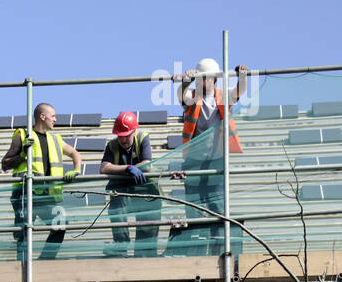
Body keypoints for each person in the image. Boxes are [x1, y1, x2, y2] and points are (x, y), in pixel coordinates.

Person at [167, 57, 249, 256]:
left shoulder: (222, 97)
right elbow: (181, 95)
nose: (202, 83)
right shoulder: (193, 98)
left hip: (216, 160)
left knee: (218, 205)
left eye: (206, 79)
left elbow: (239, 92)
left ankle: (219, 249)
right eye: (199, 79)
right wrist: (185, 81)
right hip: (195, 161)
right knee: (194, 207)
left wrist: (243, 76)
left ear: (214, 79)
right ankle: (195, 251)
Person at [1, 102, 81, 260]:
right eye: (53, 116)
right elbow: (5, 164)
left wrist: (76, 169)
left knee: (61, 225)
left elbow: (74, 153)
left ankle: (46, 261)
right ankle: (22, 267)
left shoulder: (56, 139)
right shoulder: (23, 135)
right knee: (23, 233)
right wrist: (23, 154)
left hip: (47, 196)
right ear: (42, 117)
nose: (56, 120)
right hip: (25, 194)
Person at [99, 111, 161, 256]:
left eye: (126, 135)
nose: (123, 139)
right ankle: (121, 248)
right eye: (120, 136)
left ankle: (145, 258)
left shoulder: (142, 138)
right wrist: (127, 168)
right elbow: (104, 167)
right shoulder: (112, 145)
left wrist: (130, 168)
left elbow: (146, 165)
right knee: (116, 207)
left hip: (147, 191)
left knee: (147, 234)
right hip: (124, 191)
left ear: (134, 131)